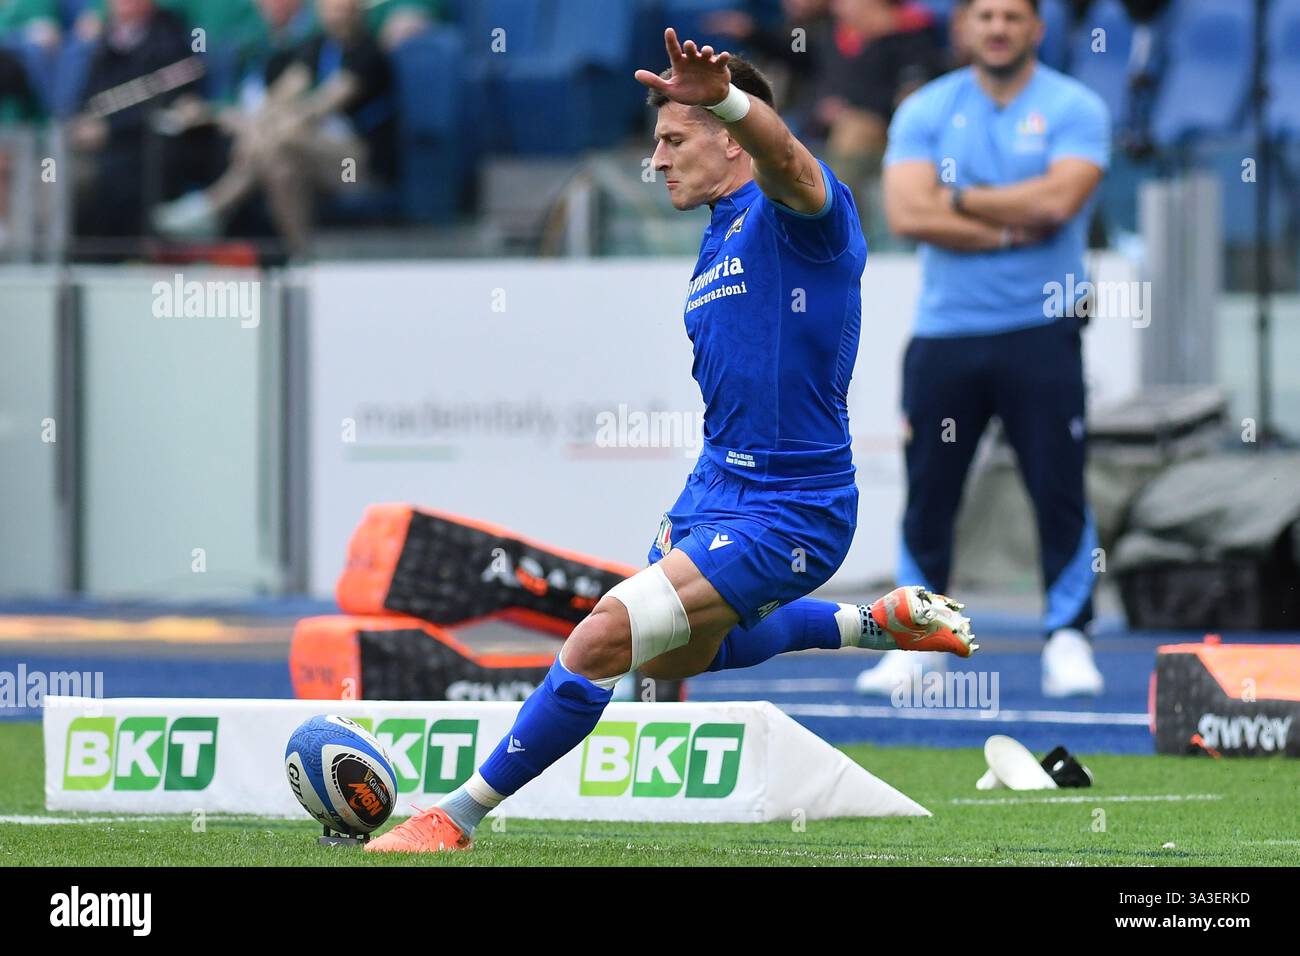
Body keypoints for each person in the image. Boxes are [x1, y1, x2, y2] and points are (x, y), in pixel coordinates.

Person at [364, 28, 977, 854]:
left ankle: (452, 818)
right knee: (674, 661)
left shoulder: (799, 215)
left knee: (602, 637)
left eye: (674, 137)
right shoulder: (719, 232)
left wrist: (727, 96)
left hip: (795, 507)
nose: (656, 159)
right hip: (715, 488)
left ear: (732, 137)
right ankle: (869, 624)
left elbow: (790, 159)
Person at [858, 0, 1109, 698]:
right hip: (945, 333)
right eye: (985, 15)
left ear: (1036, 29)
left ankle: (1066, 636)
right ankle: (919, 638)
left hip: (1043, 330)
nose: (998, 27)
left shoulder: (1076, 105)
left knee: (1058, 489)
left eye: (1012, 16)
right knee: (929, 493)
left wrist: (960, 199)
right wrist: (1006, 222)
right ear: (964, 27)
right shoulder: (926, 110)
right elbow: (908, 213)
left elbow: (1059, 205)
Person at [152, 0, 395, 255]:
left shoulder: (368, 51)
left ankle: (214, 207)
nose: (334, 11)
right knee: (281, 168)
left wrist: (268, 128)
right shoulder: (317, 46)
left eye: (341, 5)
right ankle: (302, 257)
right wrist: (254, 124)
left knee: (286, 134)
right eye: (328, 5)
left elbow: (321, 106)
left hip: (357, 166)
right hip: (311, 155)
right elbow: (284, 93)